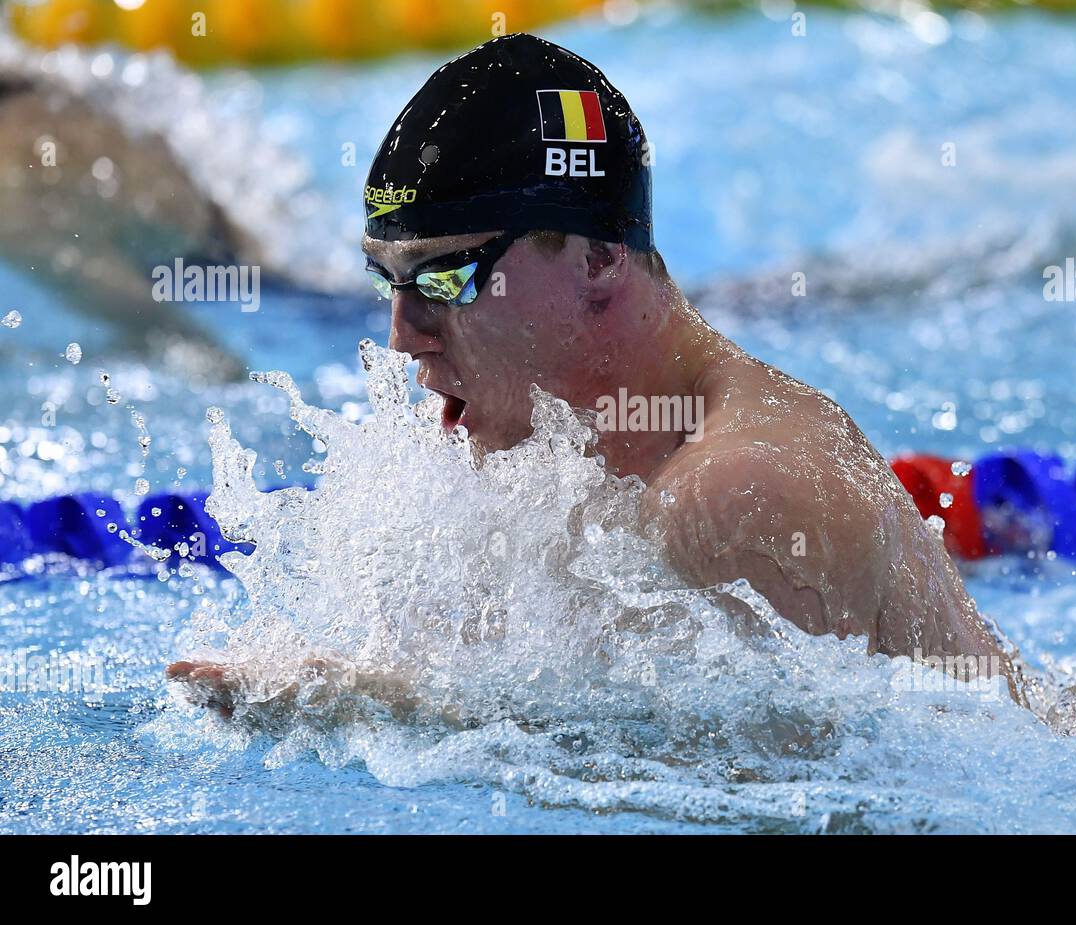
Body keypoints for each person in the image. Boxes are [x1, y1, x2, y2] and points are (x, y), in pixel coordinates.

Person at [169, 33, 1016, 712]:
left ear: (600, 257)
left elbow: (776, 802)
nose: (403, 334)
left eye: (444, 277)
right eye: (388, 279)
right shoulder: (594, 456)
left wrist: (389, 710)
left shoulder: (738, 492)